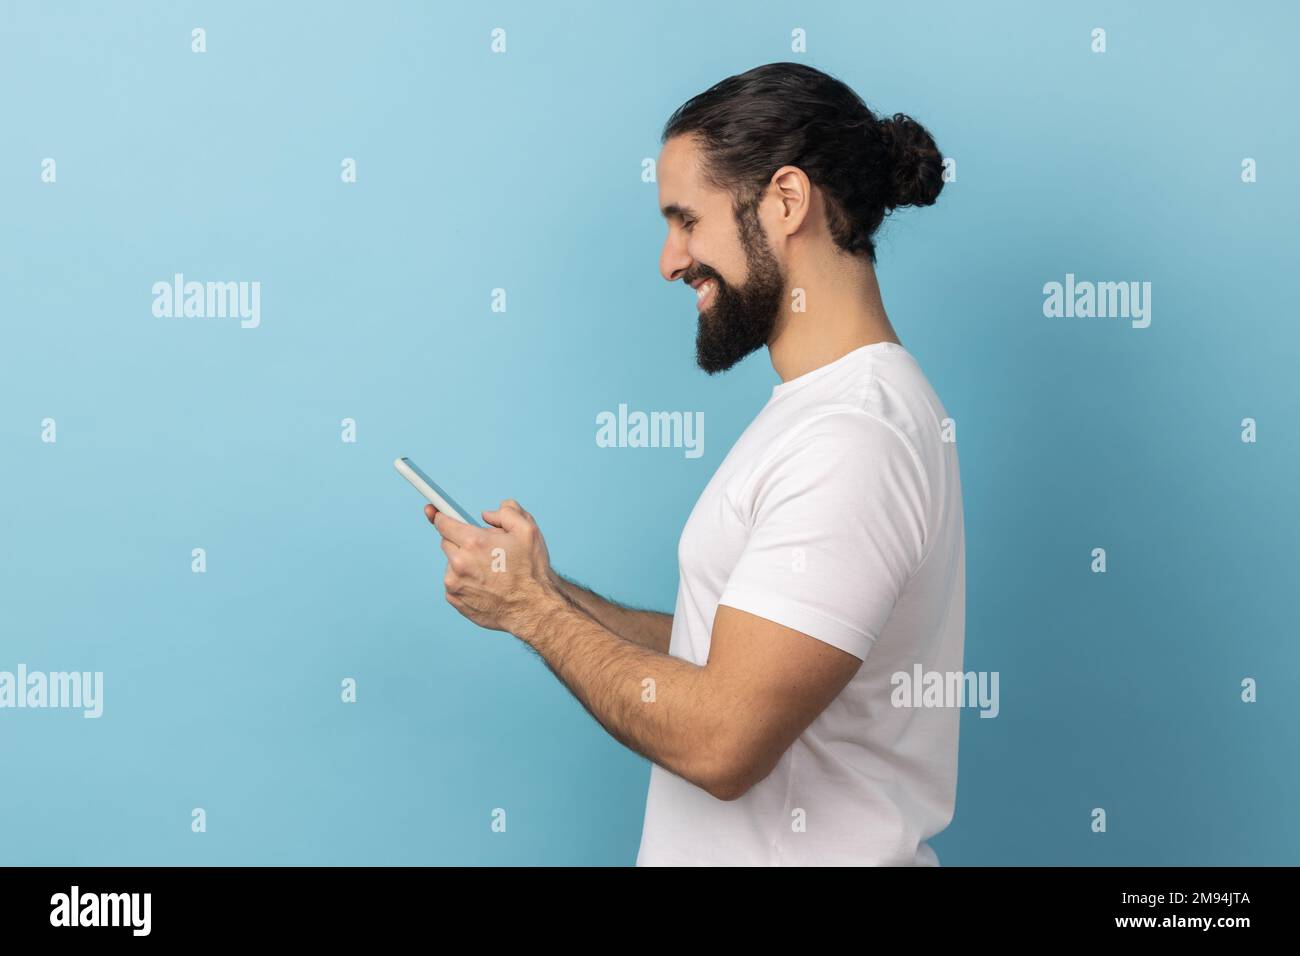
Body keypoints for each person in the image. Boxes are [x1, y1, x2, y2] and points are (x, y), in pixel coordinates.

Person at [425, 62, 965, 866]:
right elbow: (734, 658)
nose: (670, 261)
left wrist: (531, 613)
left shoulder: (853, 437)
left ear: (786, 201)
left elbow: (724, 741)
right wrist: (540, 588)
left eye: (688, 220)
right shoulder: (820, 413)